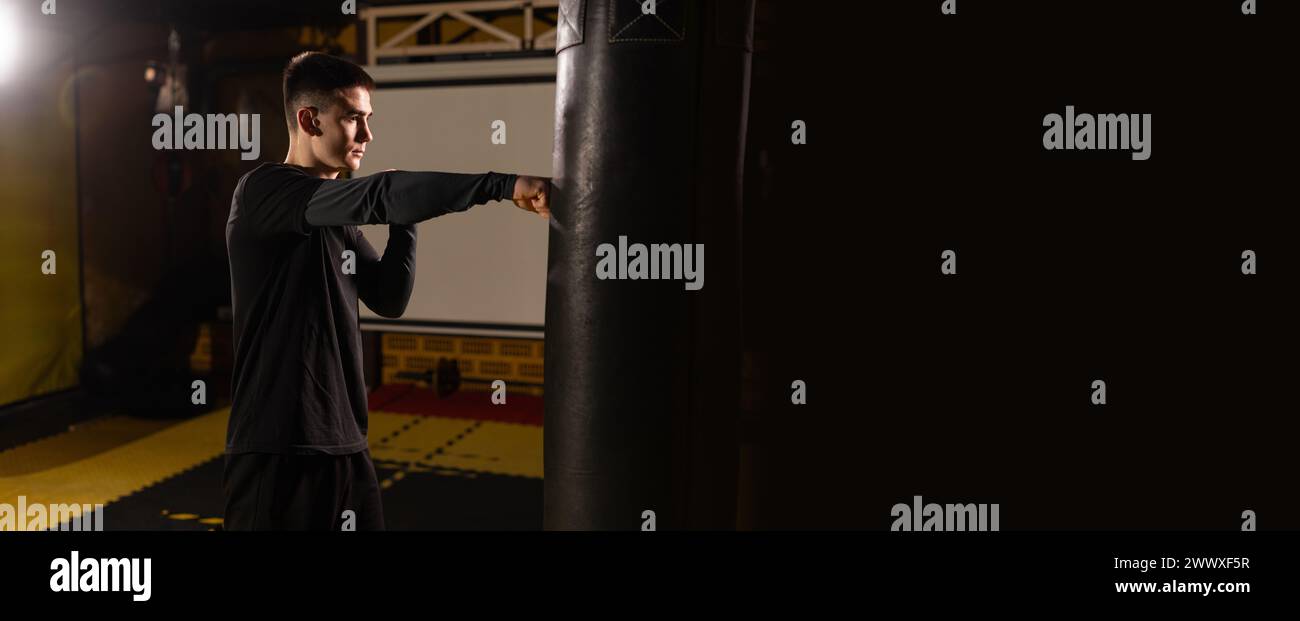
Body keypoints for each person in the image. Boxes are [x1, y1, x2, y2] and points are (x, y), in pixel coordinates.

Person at [222, 51, 549, 530]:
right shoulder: (264, 191)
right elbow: (379, 194)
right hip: (277, 450)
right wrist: (503, 184)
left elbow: (389, 298)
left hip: (347, 445)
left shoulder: (336, 219)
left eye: (369, 119)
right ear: (309, 119)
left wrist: (404, 222)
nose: (367, 136)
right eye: (354, 118)